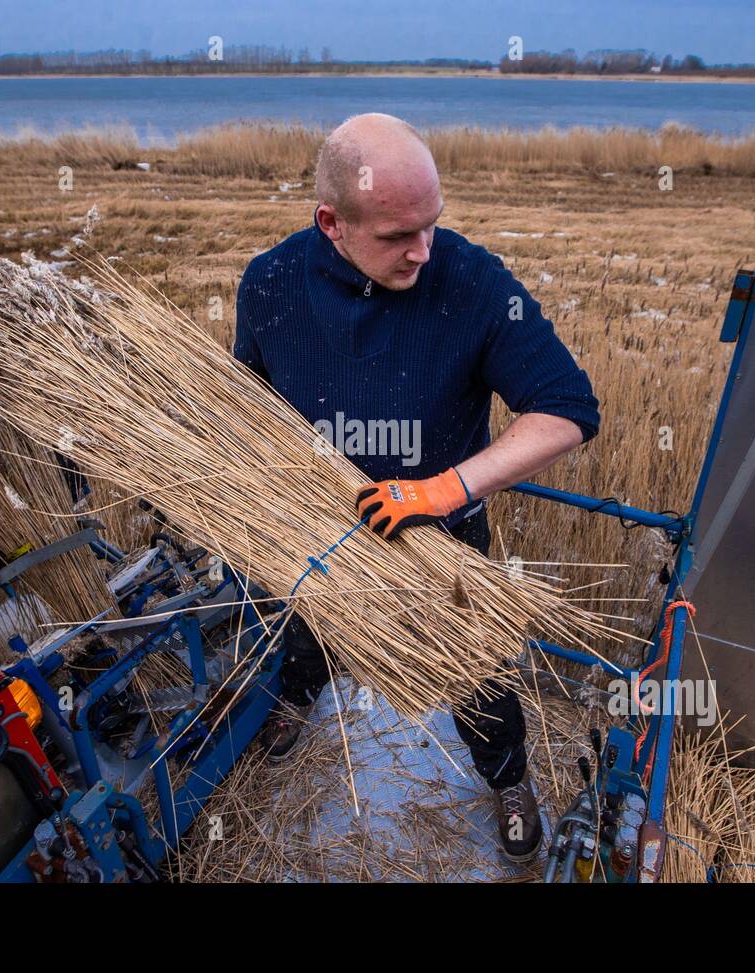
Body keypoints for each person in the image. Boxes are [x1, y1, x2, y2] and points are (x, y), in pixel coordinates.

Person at [233, 113, 600, 861]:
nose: (424, 250)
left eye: (432, 224)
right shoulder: (268, 284)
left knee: (478, 667)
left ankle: (507, 777)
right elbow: (252, 406)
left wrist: (441, 490)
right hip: (317, 530)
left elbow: (567, 409)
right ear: (331, 222)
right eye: (399, 235)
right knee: (303, 627)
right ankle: (299, 698)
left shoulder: (469, 282)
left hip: (440, 537)